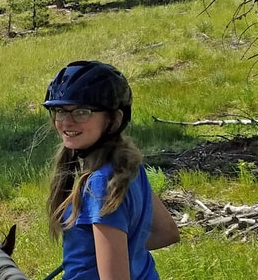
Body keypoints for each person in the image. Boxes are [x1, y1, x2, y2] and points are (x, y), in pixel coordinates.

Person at [43, 61, 179, 280]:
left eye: (81, 112)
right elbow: (167, 232)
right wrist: (107, 251)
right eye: (60, 111)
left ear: (114, 119)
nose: (67, 122)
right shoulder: (129, 168)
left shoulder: (100, 183)